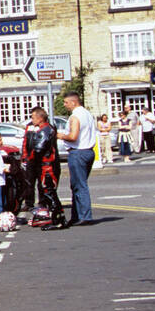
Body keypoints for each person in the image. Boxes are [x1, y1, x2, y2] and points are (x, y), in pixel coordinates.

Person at [58, 92, 97, 226]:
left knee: (79, 185)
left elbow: (73, 136)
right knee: (77, 184)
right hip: (88, 152)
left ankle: (85, 216)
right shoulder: (87, 114)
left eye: (66, 102)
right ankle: (76, 215)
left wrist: (61, 135)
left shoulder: (75, 116)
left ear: (73, 102)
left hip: (78, 152)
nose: (64, 105)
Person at [25, 106, 67, 229]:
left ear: (40, 117)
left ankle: (59, 220)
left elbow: (38, 150)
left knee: (49, 192)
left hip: (47, 166)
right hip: (47, 165)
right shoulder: (47, 129)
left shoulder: (45, 130)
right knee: (48, 192)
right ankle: (55, 219)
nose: (32, 120)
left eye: (33, 117)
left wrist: (29, 158)